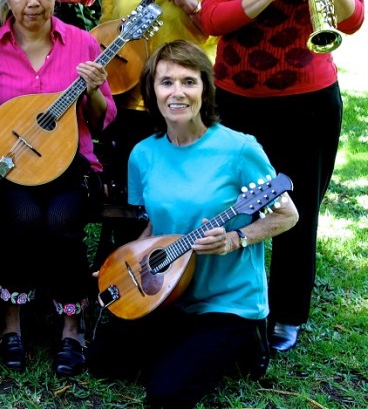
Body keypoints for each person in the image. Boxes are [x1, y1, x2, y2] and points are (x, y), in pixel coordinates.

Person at [199, 0, 364, 352]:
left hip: (308, 101)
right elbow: (212, 19)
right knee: (235, 205)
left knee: (300, 209)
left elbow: (353, 17)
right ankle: (229, 299)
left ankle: (288, 312)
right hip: (237, 100)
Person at [87, 40, 299, 409]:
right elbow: (156, 226)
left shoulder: (239, 149)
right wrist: (124, 266)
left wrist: (235, 239)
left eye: (189, 82)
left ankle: (245, 344)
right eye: (166, 82)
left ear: (205, 88)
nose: (177, 93)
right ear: (152, 91)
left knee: (166, 394)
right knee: (103, 362)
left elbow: (287, 215)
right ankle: (195, 349)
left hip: (227, 301)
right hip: (172, 294)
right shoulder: (144, 154)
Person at [0, 0, 115, 377]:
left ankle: (72, 324)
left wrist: (94, 91)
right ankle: (10, 320)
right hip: (11, 165)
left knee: (61, 221)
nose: (33, 1)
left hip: (71, 165)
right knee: (25, 217)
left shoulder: (83, 45)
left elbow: (100, 121)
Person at [96, 0, 217, 233]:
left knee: (182, 190)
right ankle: (121, 260)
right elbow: (107, 22)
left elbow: (215, 29)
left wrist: (187, 2)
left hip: (183, 95)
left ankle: (178, 264)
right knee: (127, 191)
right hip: (129, 95)